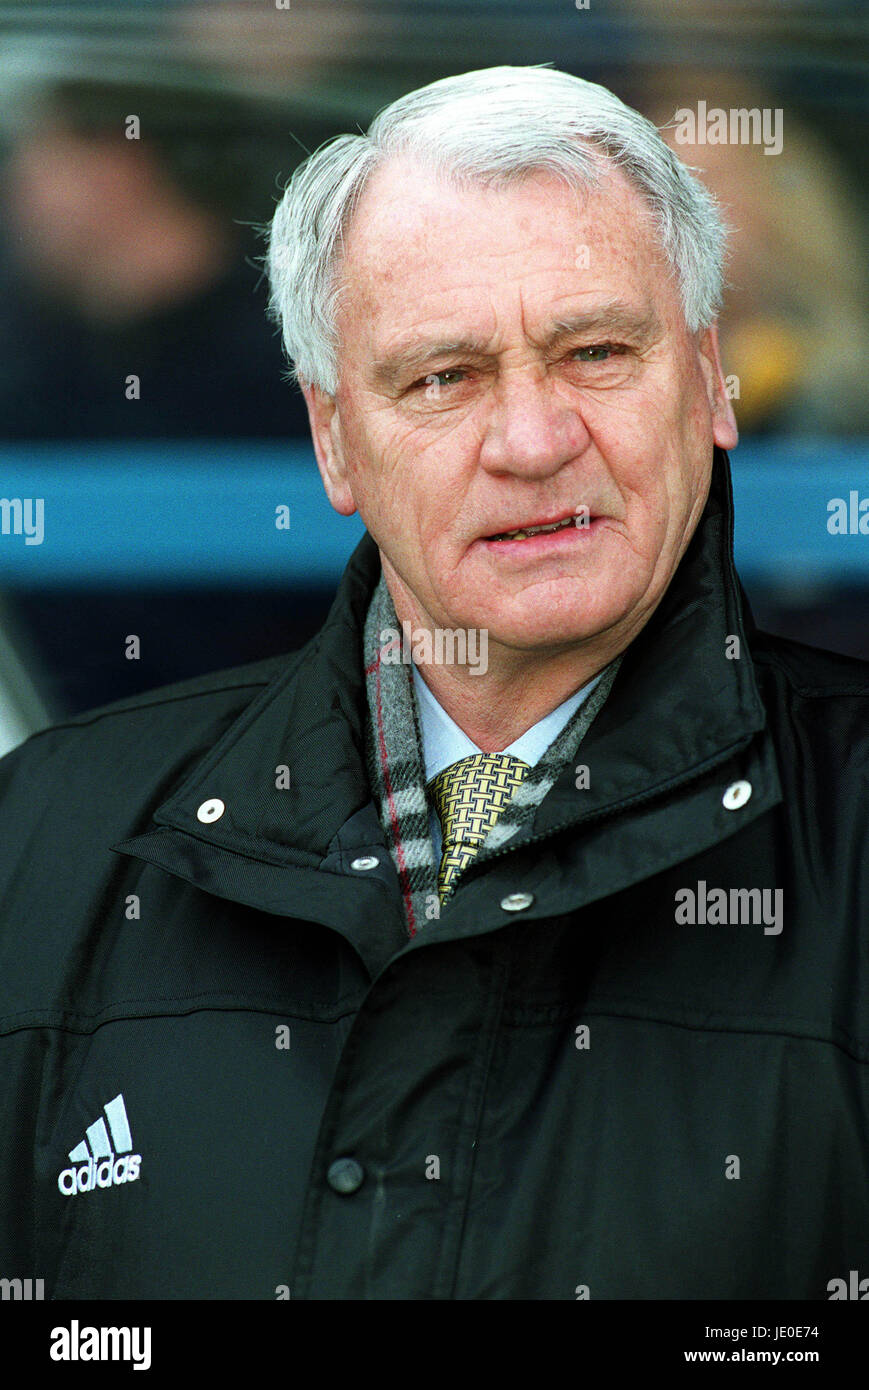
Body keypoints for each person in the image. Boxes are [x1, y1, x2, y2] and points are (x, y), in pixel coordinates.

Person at [0, 65, 866, 1301]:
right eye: (442, 377)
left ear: (708, 381)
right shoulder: (40, 845)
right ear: (334, 439)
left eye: (596, 350)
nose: (529, 440)